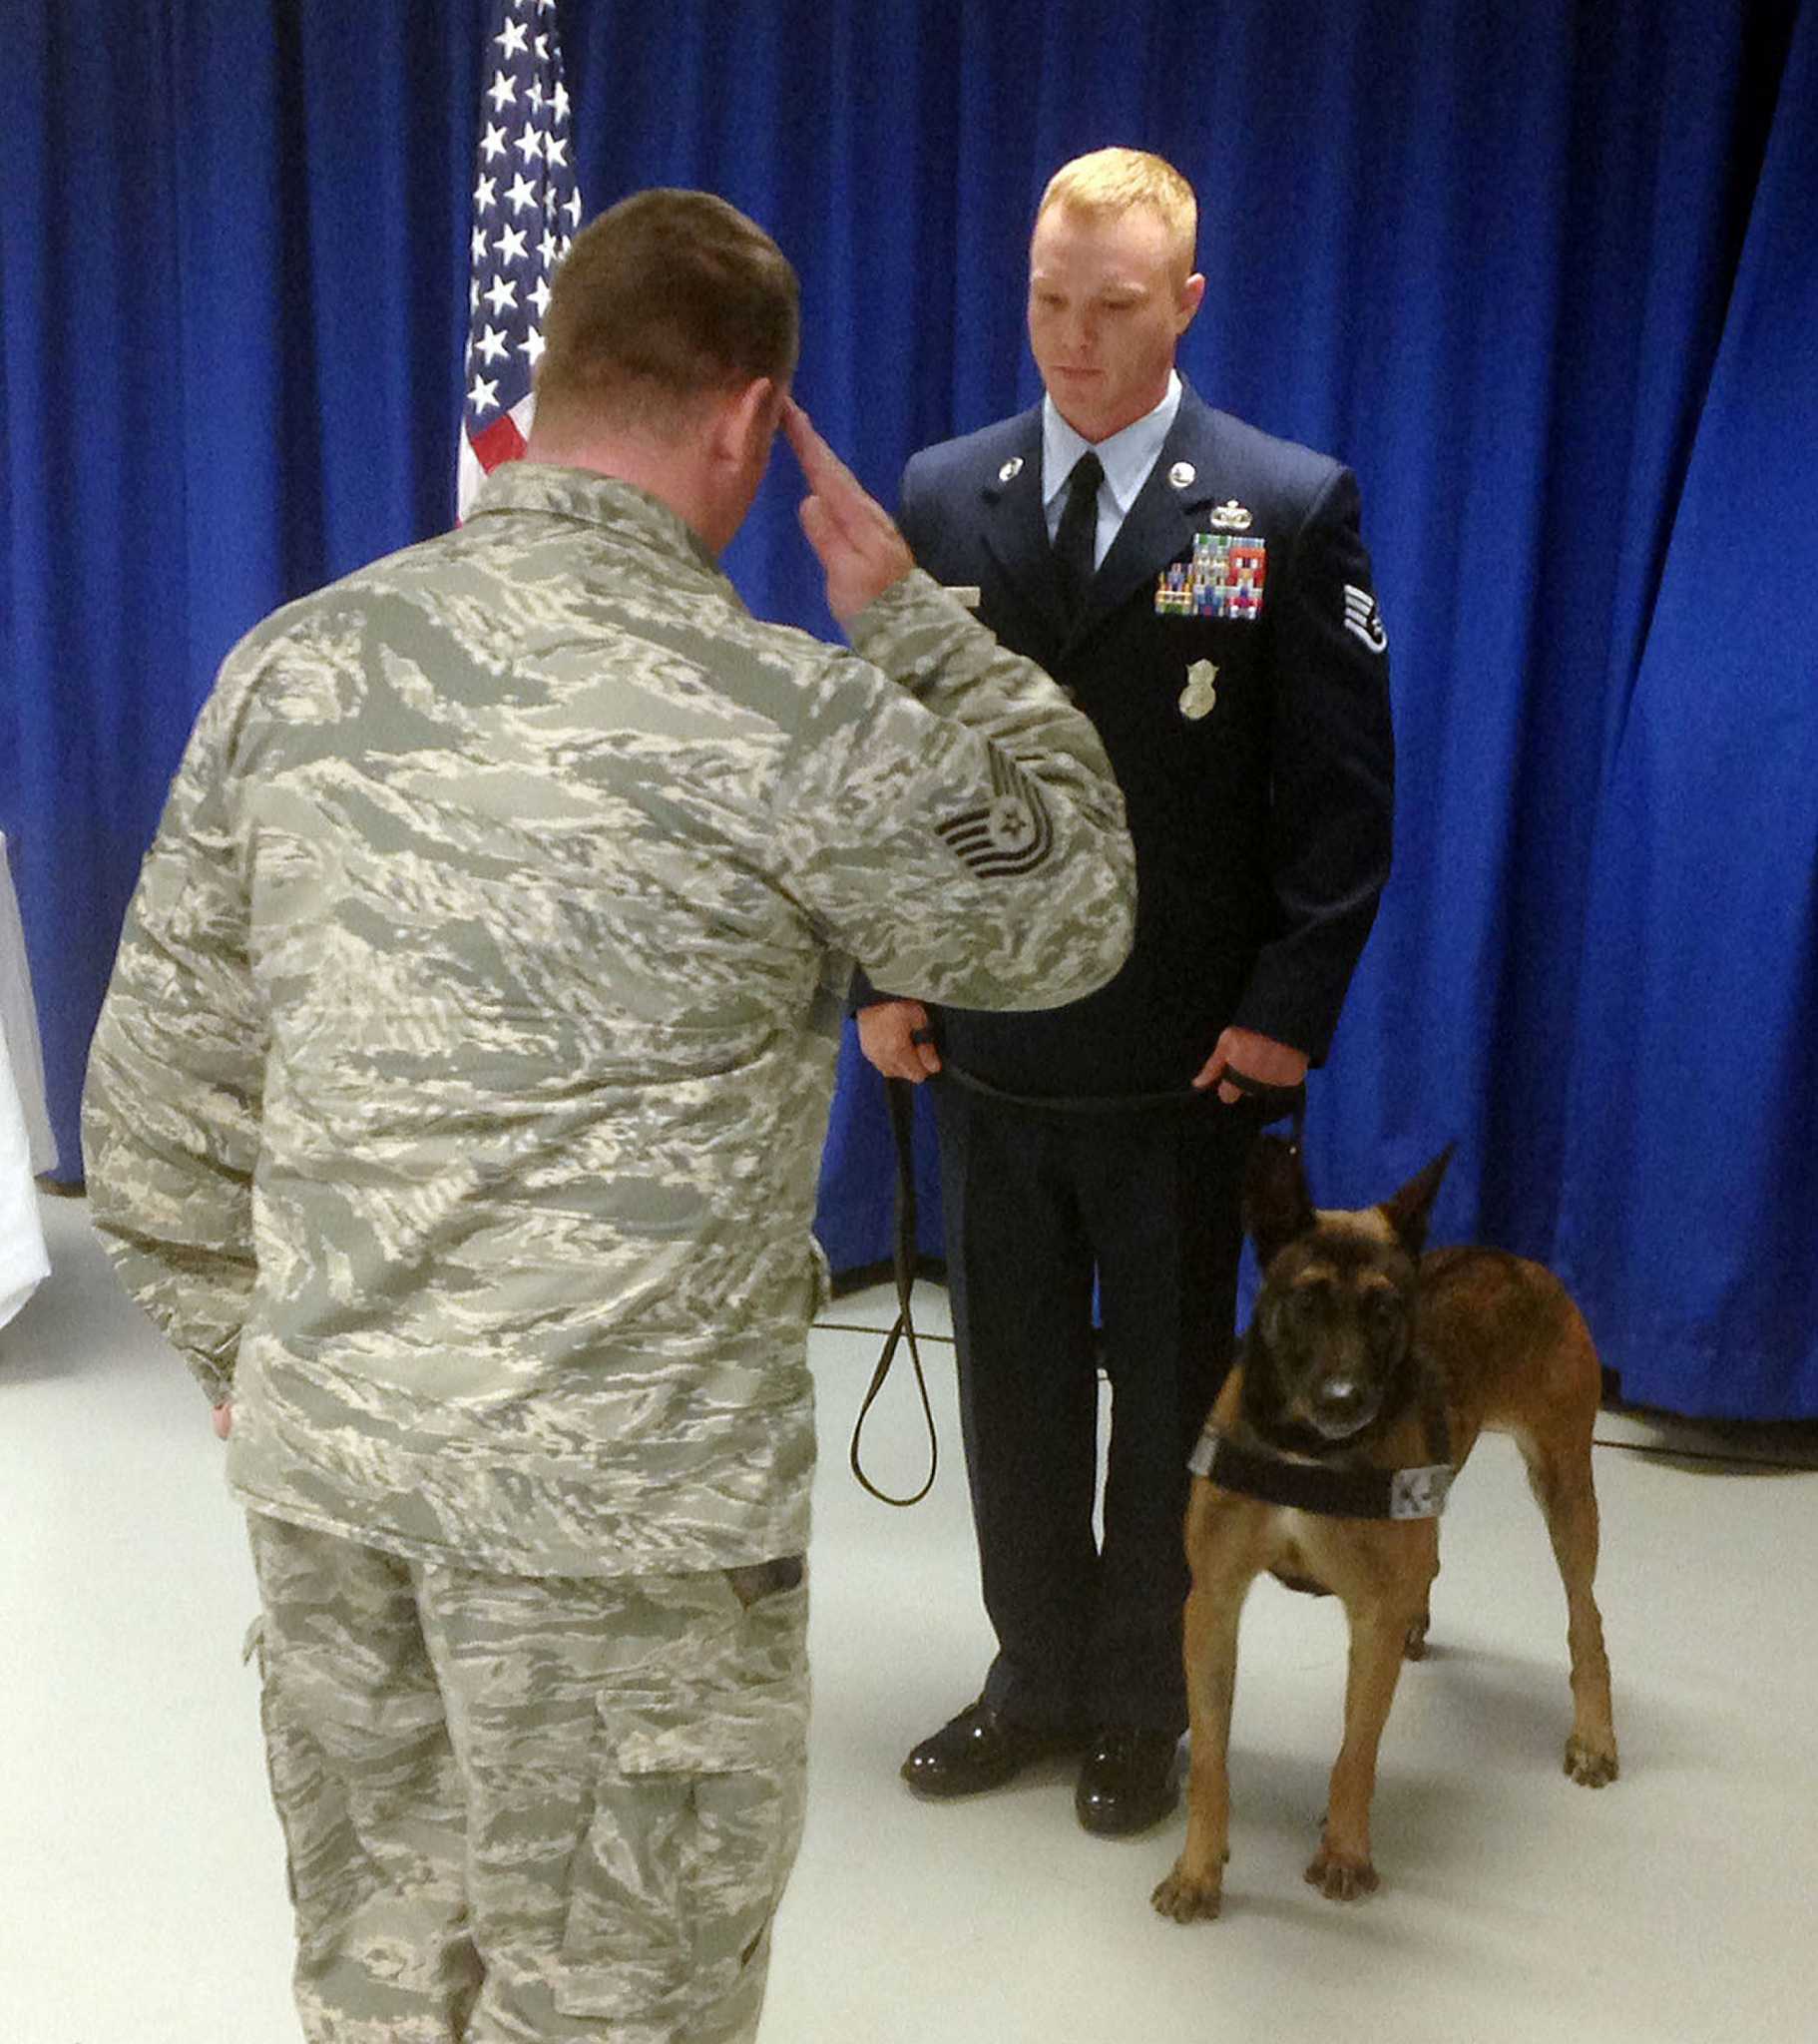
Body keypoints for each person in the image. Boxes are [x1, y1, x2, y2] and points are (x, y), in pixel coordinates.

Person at [82, 188, 1135, 2044]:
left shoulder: (294, 666)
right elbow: (1071, 904)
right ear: (748, 419)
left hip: (334, 1497)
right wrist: (915, 625)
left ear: (557, 378)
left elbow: (156, 1120)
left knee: (381, 1998)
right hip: (626, 1548)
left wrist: (272, 1374)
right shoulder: (794, 720)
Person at [856, 148, 1395, 1835]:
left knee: (1164, 1388)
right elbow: (898, 758)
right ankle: (1033, 1674)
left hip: (1187, 1062)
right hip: (997, 1050)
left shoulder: (1279, 505)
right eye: (1045, 301)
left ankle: (1140, 1697)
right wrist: (885, 962)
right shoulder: (947, 494)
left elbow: (1339, 797)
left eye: (1109, 307)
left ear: (1184, 302)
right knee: (1010, 1377)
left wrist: (1286, 1005)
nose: (1071, 341)